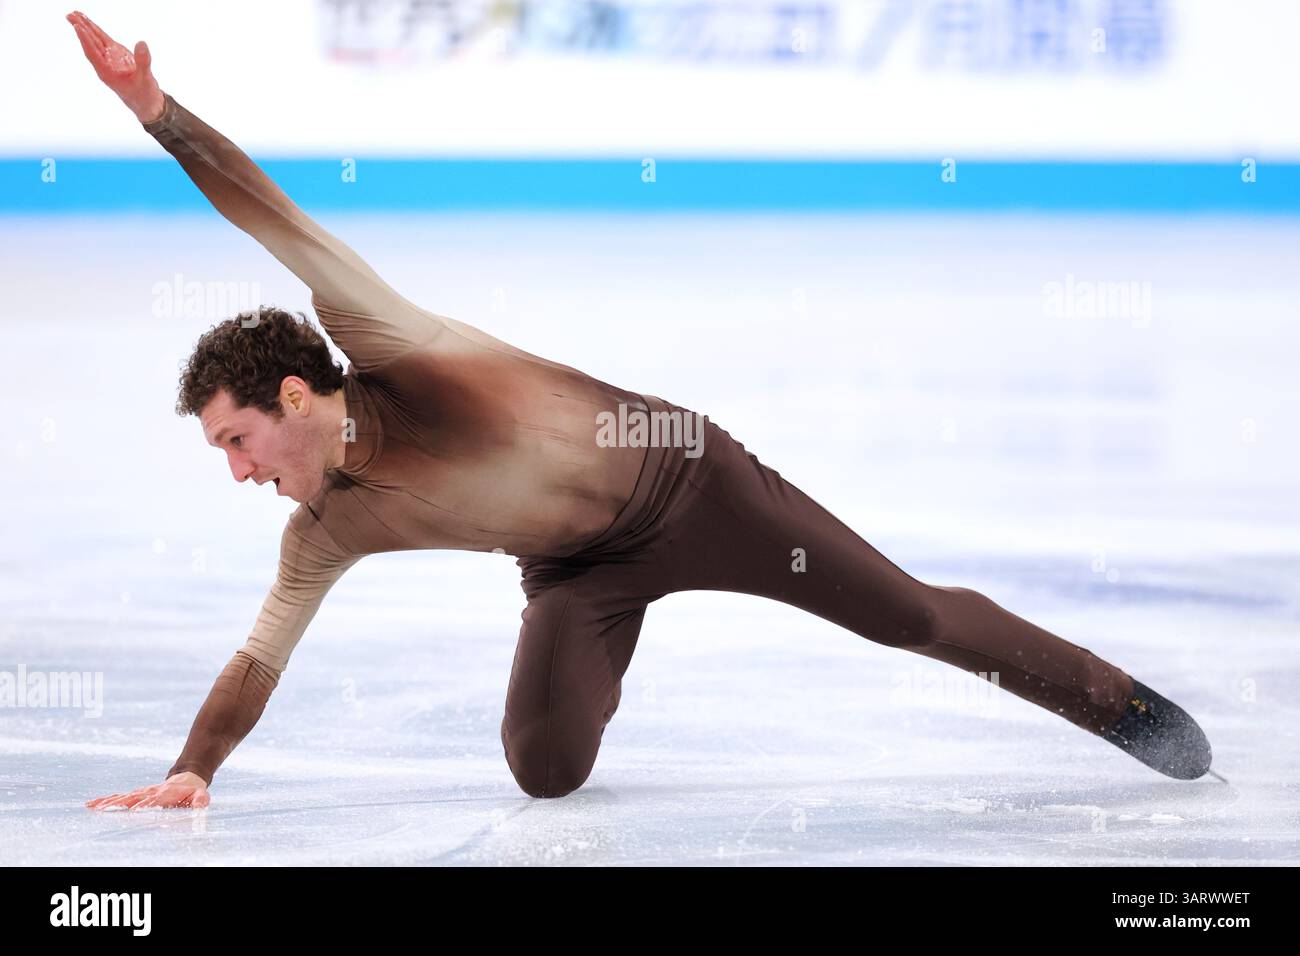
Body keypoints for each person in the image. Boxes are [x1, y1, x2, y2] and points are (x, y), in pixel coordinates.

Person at [69, 11, 1212, 811]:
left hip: (690, 480)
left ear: (294, 393)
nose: (237, 471)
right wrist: (196, 765)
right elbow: (258, 655)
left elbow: (264, 215)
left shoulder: (388, 341)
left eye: (235, 441)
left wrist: (157, 110)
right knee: (546, 768)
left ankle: (1121, 705)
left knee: (905, 616)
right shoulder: (321, 531)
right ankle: (611, 645)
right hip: (579, 571)